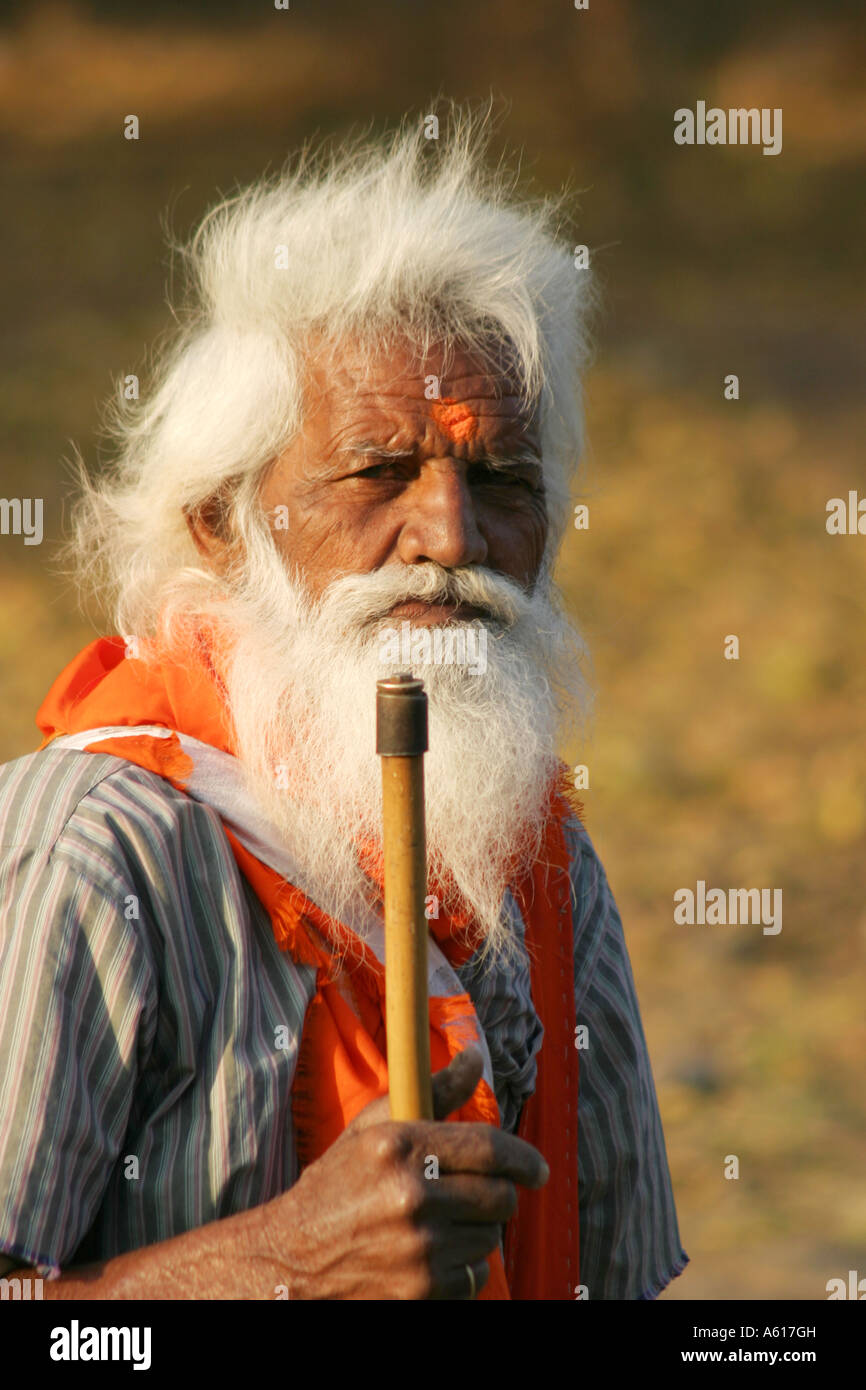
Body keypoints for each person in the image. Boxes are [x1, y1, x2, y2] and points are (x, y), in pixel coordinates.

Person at [0, 111, 687, 1300]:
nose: (450, 538)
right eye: (378, 471)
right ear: (220, 522)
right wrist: (280, 1266)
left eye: (502, 482)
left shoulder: (539, 863)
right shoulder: (92, 846)